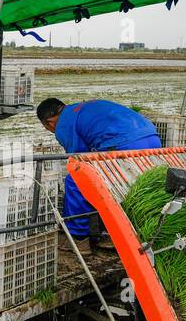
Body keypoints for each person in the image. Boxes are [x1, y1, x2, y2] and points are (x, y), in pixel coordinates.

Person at [36, 97, 161, 246]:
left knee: (76, 181)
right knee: (128, 186)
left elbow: (78, 157)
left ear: (49, 122)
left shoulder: (64, 122)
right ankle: (118, 234)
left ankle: (78, 239)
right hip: (152, 139)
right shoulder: (81, 109)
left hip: (124, 146)